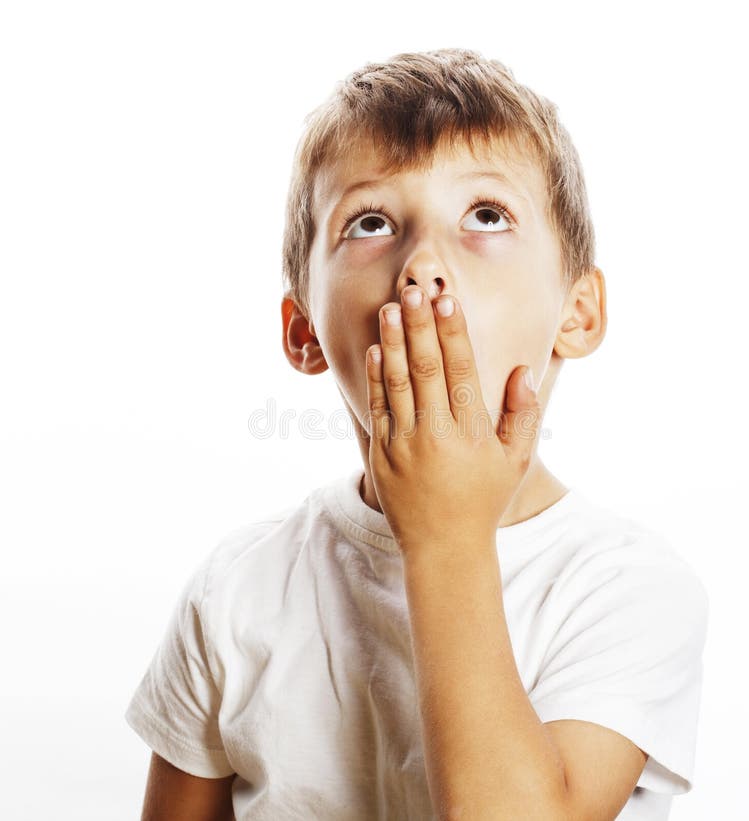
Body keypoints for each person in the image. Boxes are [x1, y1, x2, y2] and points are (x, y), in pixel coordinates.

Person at [126, 47, 709, 820]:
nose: (424, 266)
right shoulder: (236, 590)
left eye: (486, 215)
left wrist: (447, 535)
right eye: (371, 222)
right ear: (302, 330)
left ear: (578, 311)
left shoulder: (625, 587)